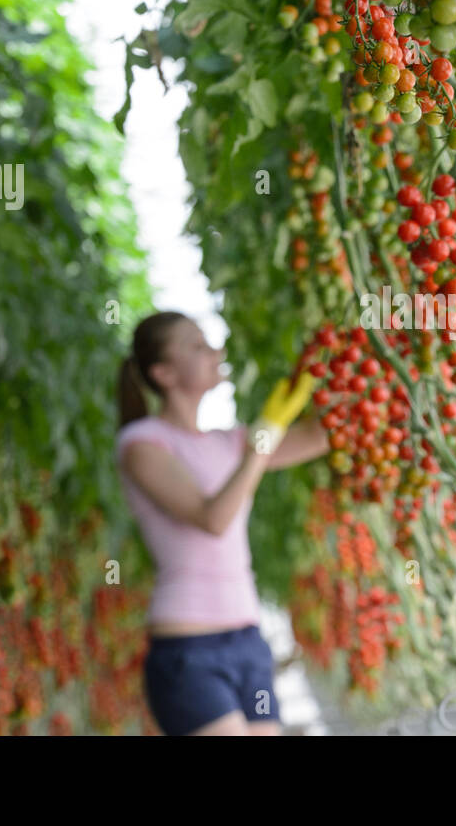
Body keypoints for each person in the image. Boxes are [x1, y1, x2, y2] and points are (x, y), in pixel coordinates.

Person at [114, 311, 327, 736]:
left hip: (249, 641)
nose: (216, 352)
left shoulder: (228, 441)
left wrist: (334, 360)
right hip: (189, 651)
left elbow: (325, 435)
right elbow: (212, 519)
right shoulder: (142, 444)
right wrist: (261, 443)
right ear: (163, 373)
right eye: (196, 345)